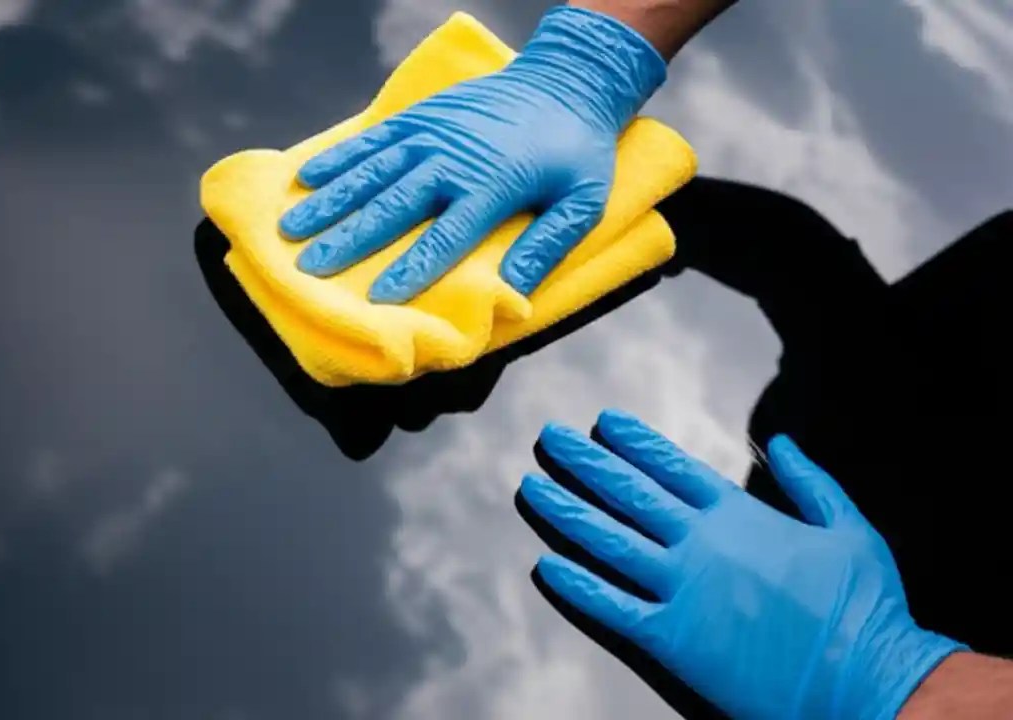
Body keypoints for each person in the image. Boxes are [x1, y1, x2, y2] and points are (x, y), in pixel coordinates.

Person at [278, 1, 1013, 718]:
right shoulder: (855, 395)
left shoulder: (850, 439)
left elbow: (810, 280)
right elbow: (803, 271)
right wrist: (596, 54)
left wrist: (913, 693)